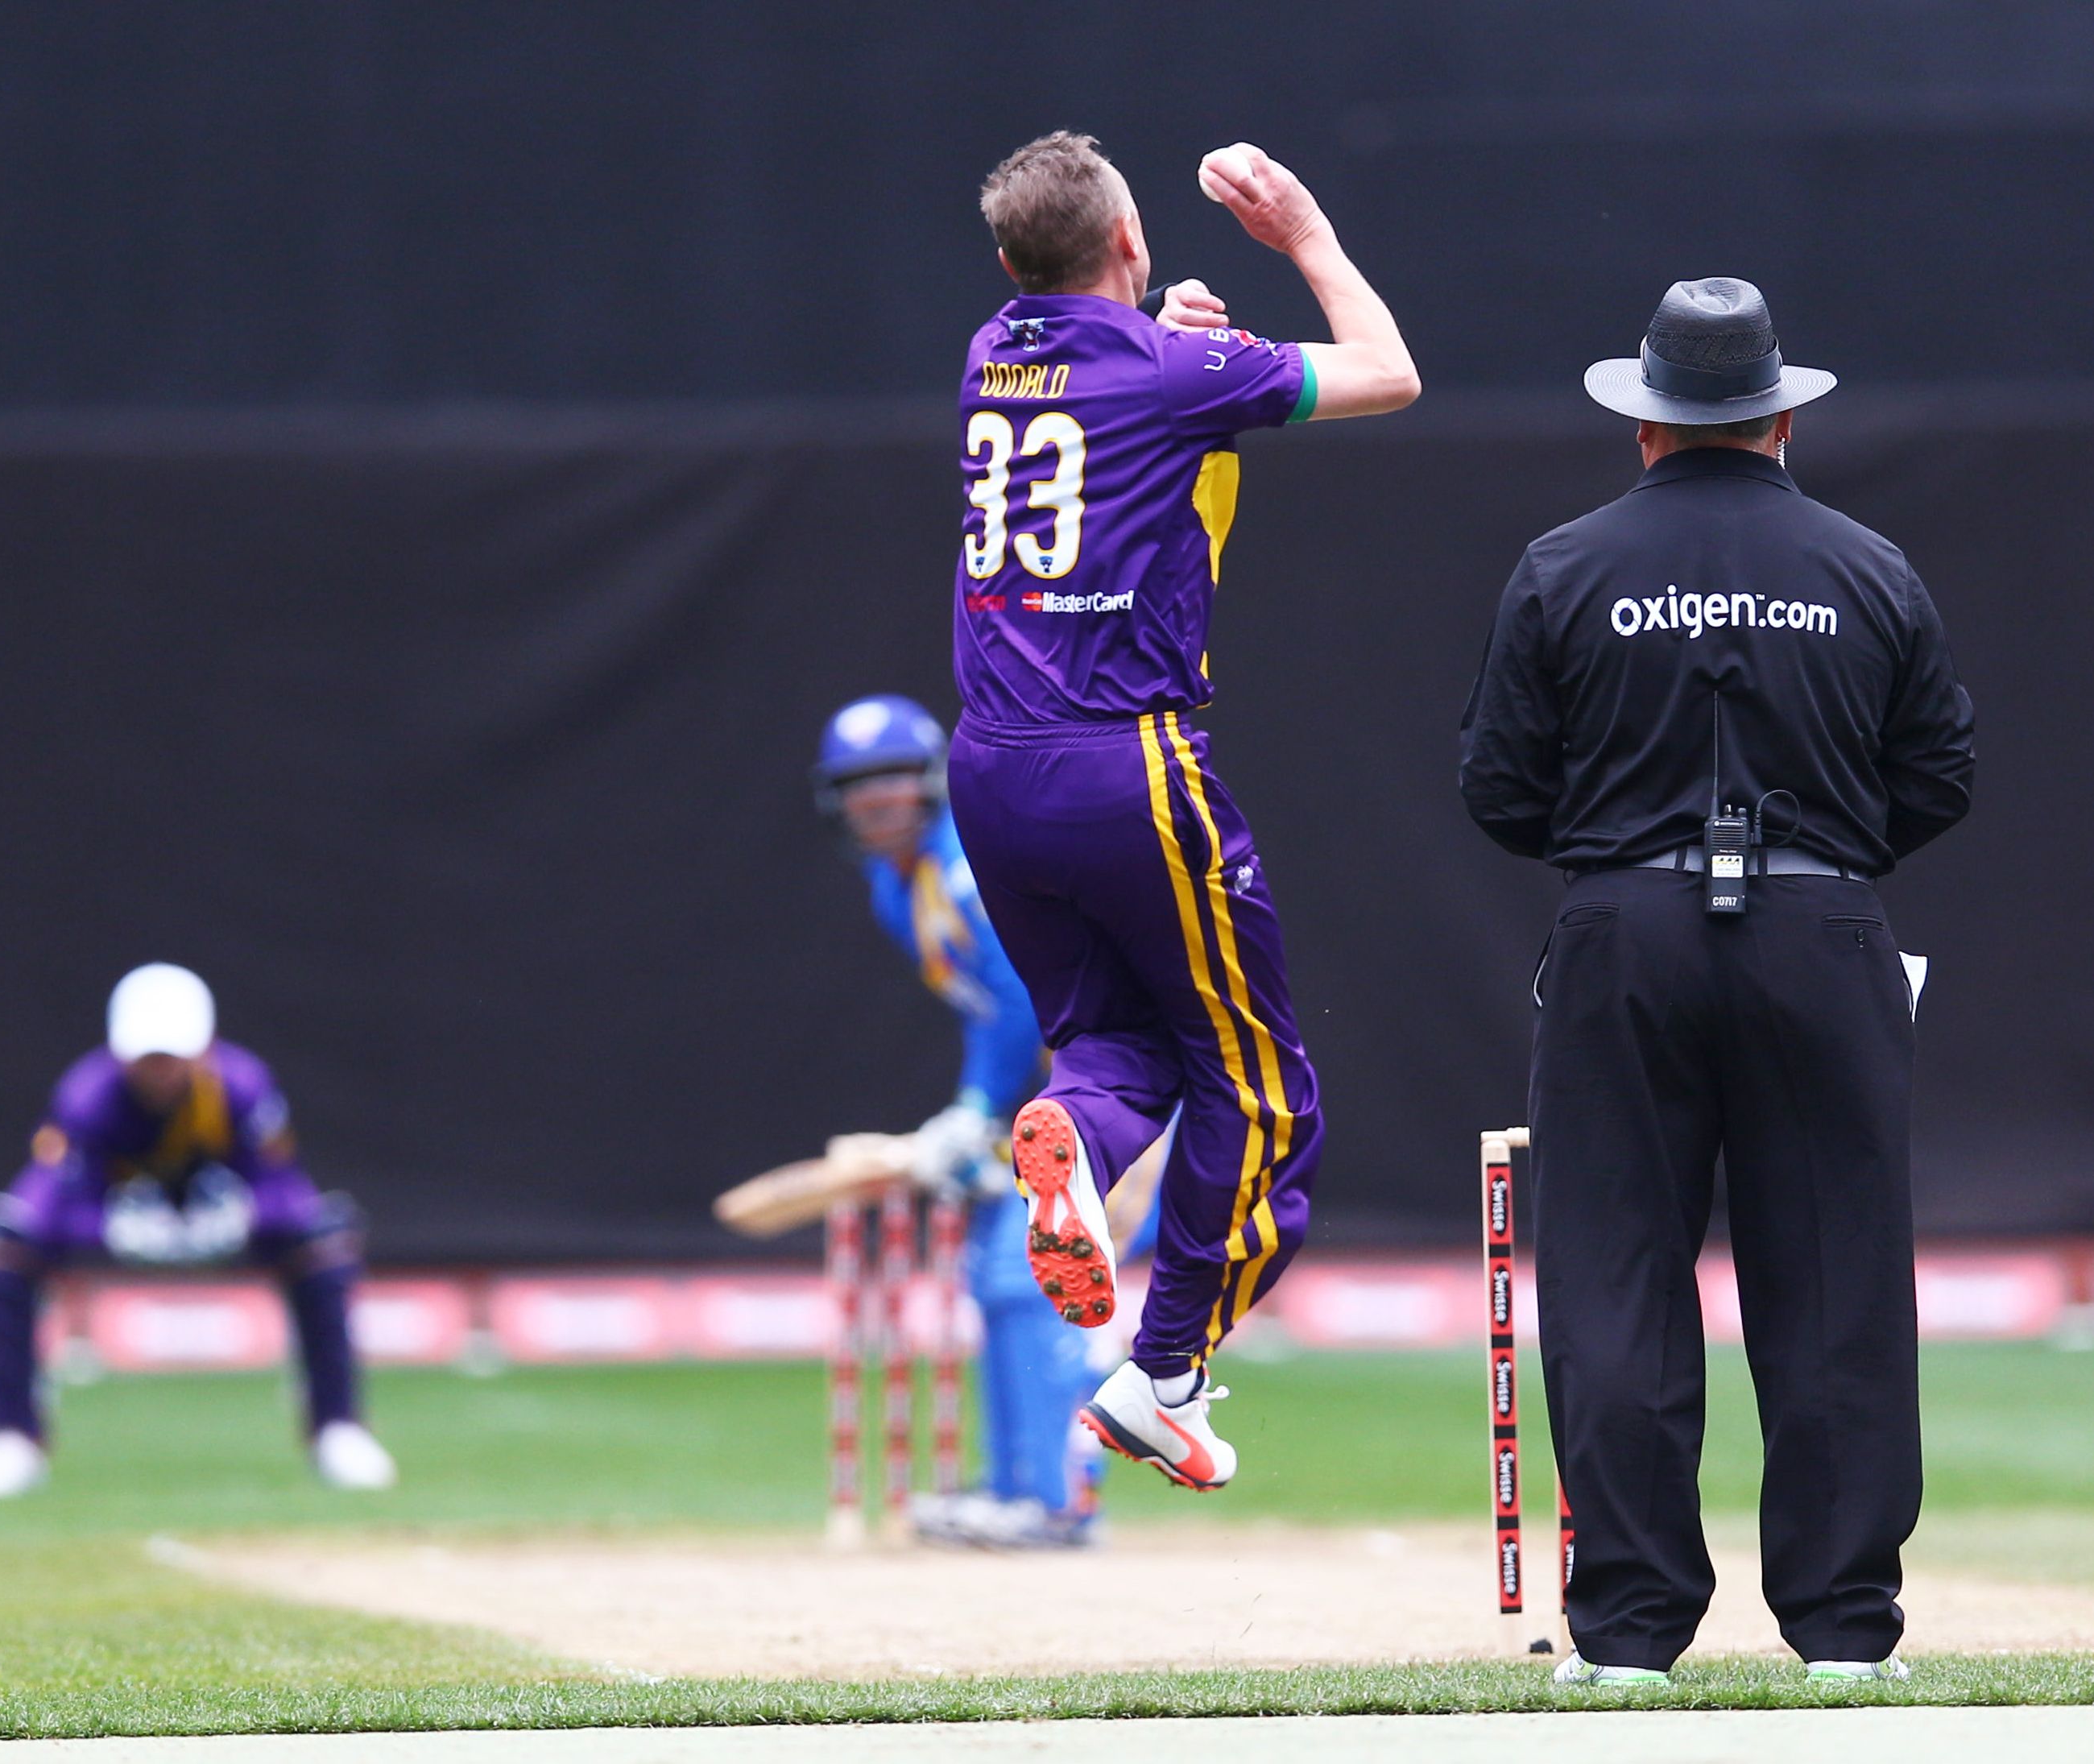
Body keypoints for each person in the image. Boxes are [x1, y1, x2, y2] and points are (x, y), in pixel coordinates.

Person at [1459, 279, 1974, 1687]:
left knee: (1615, 1274)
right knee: (1835, 1284)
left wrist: (1626, 858)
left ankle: (1625, 1637)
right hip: (1820, 929)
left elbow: (1498, 790)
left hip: (1622, 934)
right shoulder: (1866, 565)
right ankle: (1844, 1637)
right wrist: (1825, 855)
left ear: (1641, 425)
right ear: (1782, 418)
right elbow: (1937, 777)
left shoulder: (1563, 564)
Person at [944, 132, 1418, 1491]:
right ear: (1132, 244)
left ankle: (1074, 1155)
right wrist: (1307, 238)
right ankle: (1161, 1375)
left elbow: (1109, 394)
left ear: (1005, 266)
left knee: (1113, 1045)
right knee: (1265, 1097)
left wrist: (1165, 339)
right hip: (1125, 768)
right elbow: (1388, 375)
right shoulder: (1164, 370)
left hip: (990, 771)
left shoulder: (988, 354)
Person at [816, 694, 1161, 1548]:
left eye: (892, 779)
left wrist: (973, 1115)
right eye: (859, 786)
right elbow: (994, 1016)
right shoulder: (898, 891)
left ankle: (1055, 1502)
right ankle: (1017, 1491)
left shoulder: (966, 862)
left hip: (1137, 1086)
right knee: (1001, 1277)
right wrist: (991, 1127)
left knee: (1029, 1272)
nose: (878, 800)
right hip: (1065, 1098)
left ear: (928, 780)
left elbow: (1016, 1000)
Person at [0, 963, 396, 1498]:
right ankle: (13, 1437)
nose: (160, 1071)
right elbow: (46, 1202)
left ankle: (337, 1427)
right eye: (148, 1058)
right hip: (118, 1230)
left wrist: (241, 1217)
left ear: (203, 1049)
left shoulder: (242, 1087)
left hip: (222, 1226)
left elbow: (286, 1190)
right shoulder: (87, 1097)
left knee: (325, 1241)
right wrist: (114, 1227)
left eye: (172, 1057)